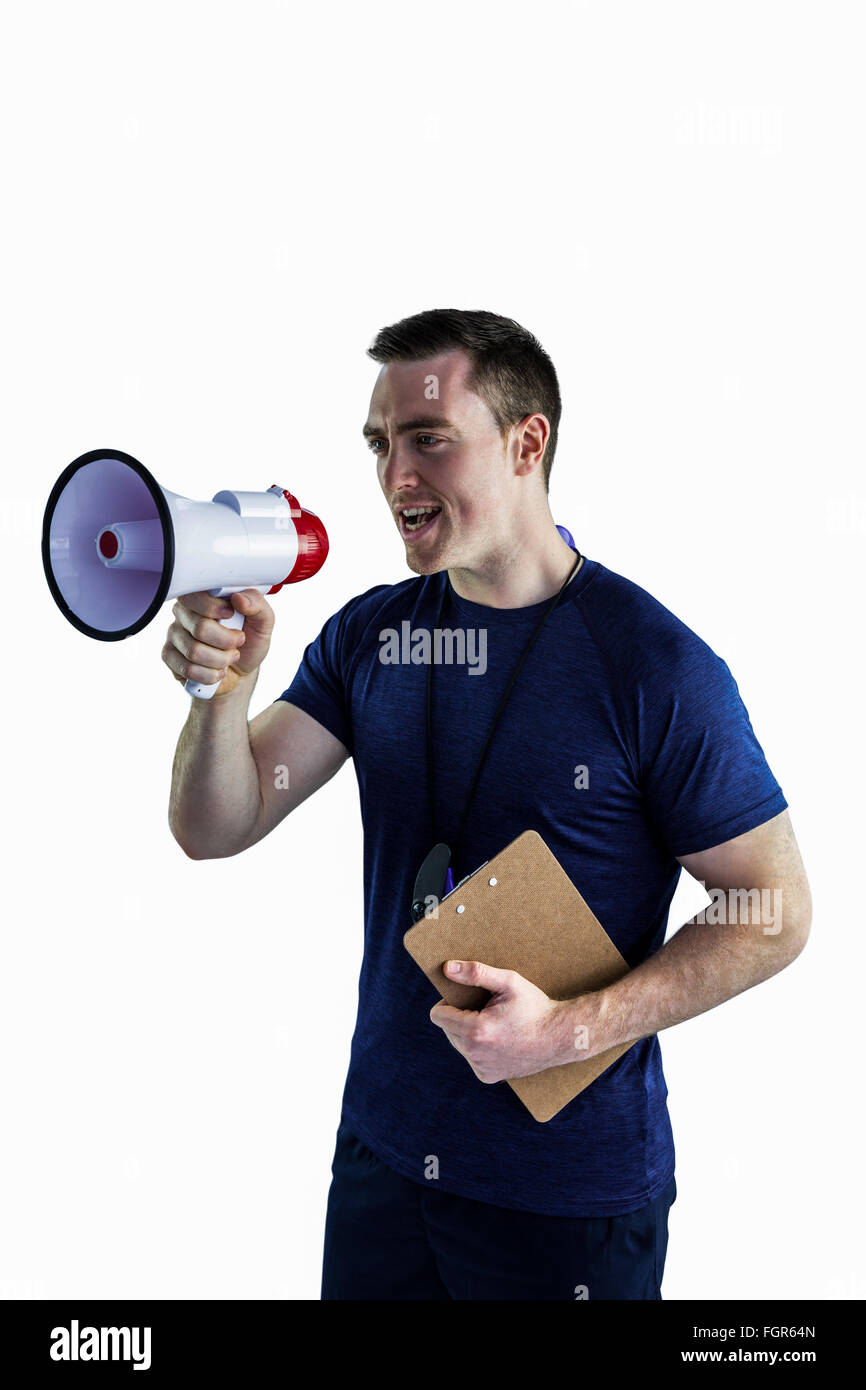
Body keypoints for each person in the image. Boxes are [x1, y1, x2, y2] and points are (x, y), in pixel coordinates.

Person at [164, 308, 811, 1301]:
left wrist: (569, 1029)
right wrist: (223, 692)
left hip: (567, 1200)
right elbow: (218, 824)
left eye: (428, 440)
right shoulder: (369, 635)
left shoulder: (654, 666)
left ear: (525, 442)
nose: (393, 479)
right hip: (382, 1161)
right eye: (380, 444)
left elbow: (773, 910)